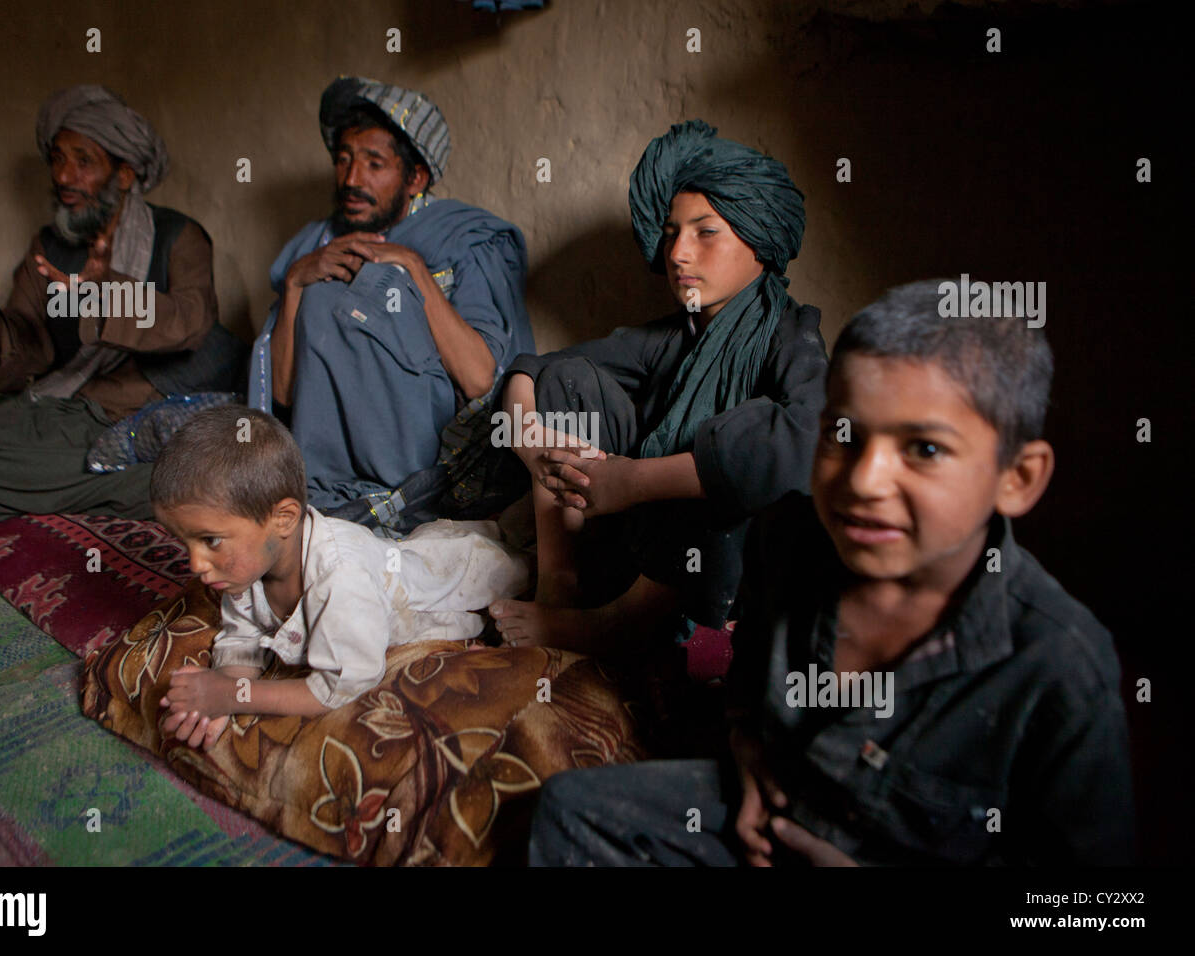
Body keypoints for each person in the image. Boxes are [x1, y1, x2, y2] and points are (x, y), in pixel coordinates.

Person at [528, 280, 1136, 866]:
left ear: (1018, 477)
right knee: (570, 811)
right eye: (841, 436)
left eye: (924, 449)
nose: (863, 482)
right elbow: (747, 691)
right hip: (778, 821)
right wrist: (748, 754)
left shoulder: (1059, 665)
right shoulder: (785, 540)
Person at [489, 119, 827, 651]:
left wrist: (637, 479)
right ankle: (562, 585)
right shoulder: (670, 337)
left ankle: (618, 624)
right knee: (568, 382)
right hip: (636, 541)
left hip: (725, 570)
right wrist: (528, 439)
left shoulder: (790, 335)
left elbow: (807, 439)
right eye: (671, 234)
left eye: (704, 232)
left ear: (759, 240)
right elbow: (535, 367)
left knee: (732, 442)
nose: (678, 254)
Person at [0, 84, 241, 531]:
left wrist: (107, 292)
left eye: (83, 161)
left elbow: (189, 325)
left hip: (126, 420)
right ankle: (124, 485)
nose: (63, 176)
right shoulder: (50, 245)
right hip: (60, 407)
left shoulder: (180, 236)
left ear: (124, 174)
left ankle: (138, 483)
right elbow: (19, 363)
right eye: (58, 158)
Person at [150, 406, 529, 750]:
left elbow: (340, 689)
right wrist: (217, 697)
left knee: (524, 561)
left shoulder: (340, 578)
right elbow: (243, 637)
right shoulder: (240, 569)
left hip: (463, 575)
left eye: (210, 541)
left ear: (283, 519)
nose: (196, 563)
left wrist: (236, 695)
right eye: (184, 543)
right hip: (402, 556)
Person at [248, 76, 534, 515]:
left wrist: (414, 269)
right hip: (324, 463)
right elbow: (284, 395)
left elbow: (480, 379)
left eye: (374, 164)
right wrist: (294, 283)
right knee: (324, 297)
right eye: (343, 161)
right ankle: (341, 491)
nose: (352, 179)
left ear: (415, 177)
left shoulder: (465, 241)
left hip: (429, 453)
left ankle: (393, 493)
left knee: (375, 289)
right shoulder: (317, 245)